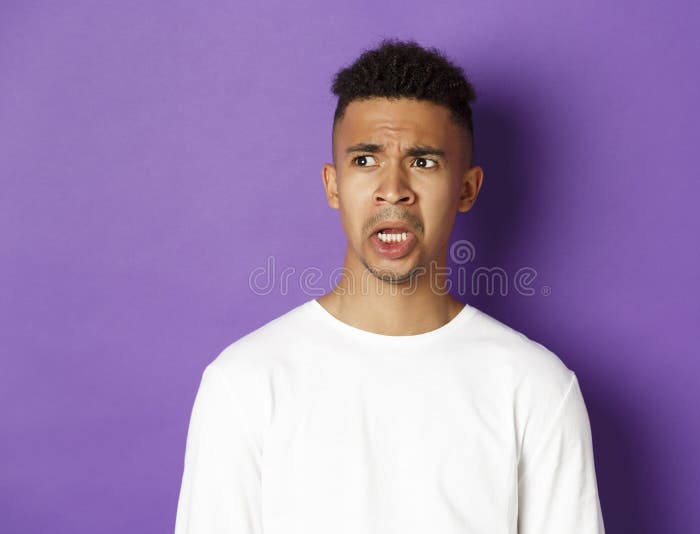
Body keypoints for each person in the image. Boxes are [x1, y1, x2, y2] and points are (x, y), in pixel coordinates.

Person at [174, 38, 606, 534]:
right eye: (365, 160)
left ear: (466, 188)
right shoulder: (244, 383)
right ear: (333, 185)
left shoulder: (535, 389)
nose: (393, 188)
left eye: (423, 162)